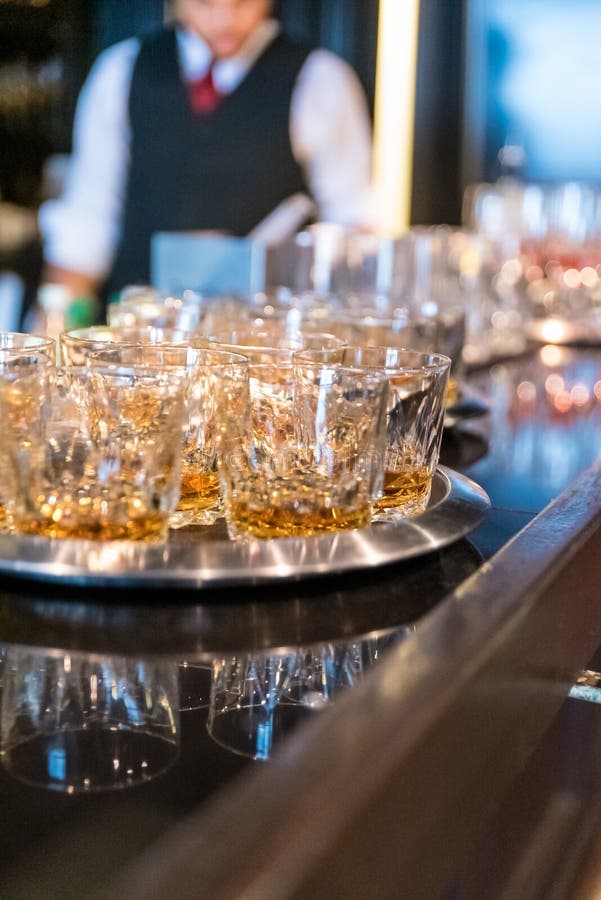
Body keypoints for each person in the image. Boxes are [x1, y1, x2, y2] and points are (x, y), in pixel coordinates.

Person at [33, 0, 374, 324]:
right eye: (205, 4)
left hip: (264, 350)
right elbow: (88, 222)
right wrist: (51, 322)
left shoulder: (322, 80)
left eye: (243, 3)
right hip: (137, 343)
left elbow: (351, 231)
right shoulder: (121, 70)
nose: (225, 20)